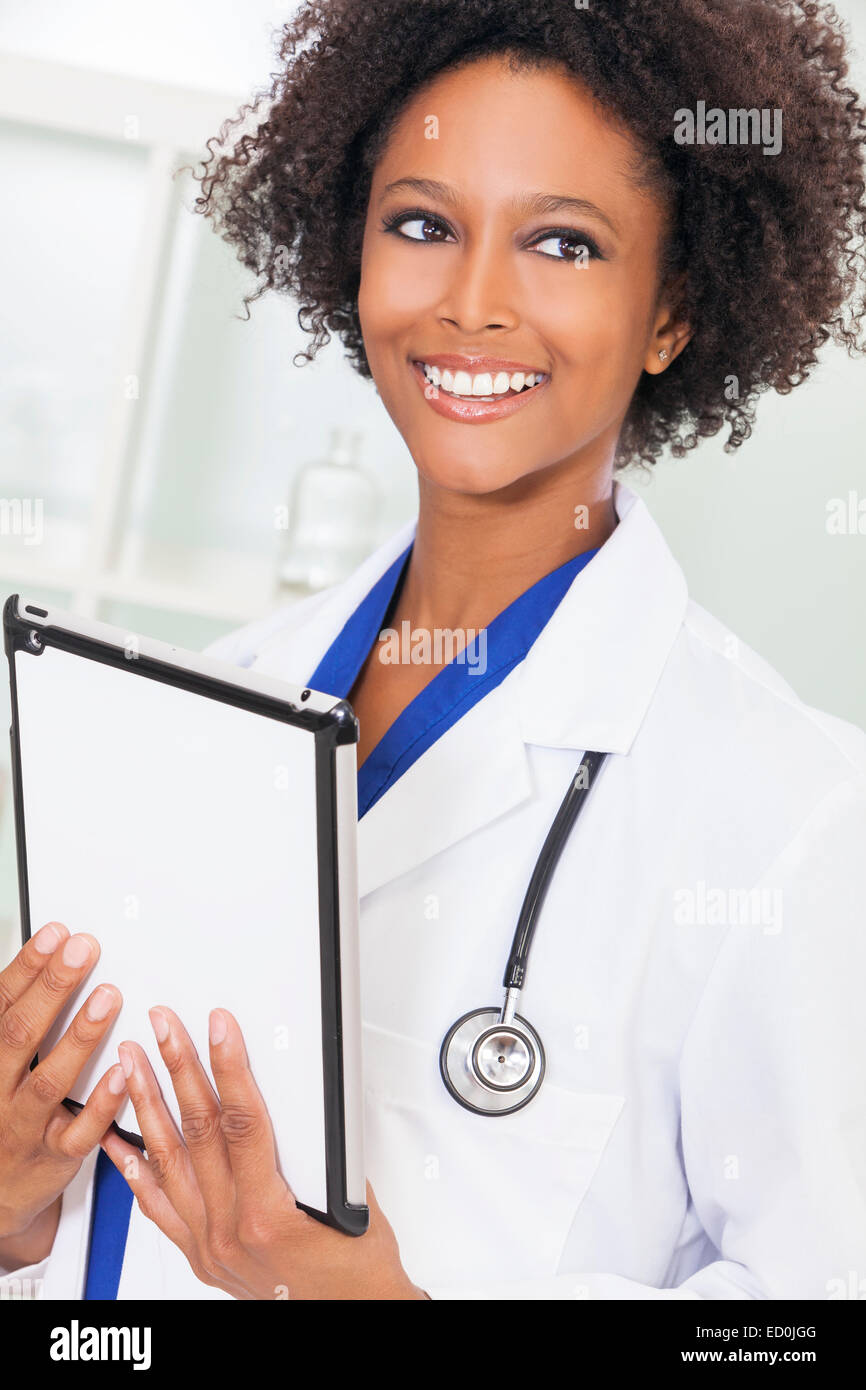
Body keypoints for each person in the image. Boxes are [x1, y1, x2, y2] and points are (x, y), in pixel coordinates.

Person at [2, 0, 865, 1300]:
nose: (472, 304)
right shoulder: (219, 688)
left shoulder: (787, 813)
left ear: (668, 313)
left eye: (561, 244)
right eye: (421, 224)